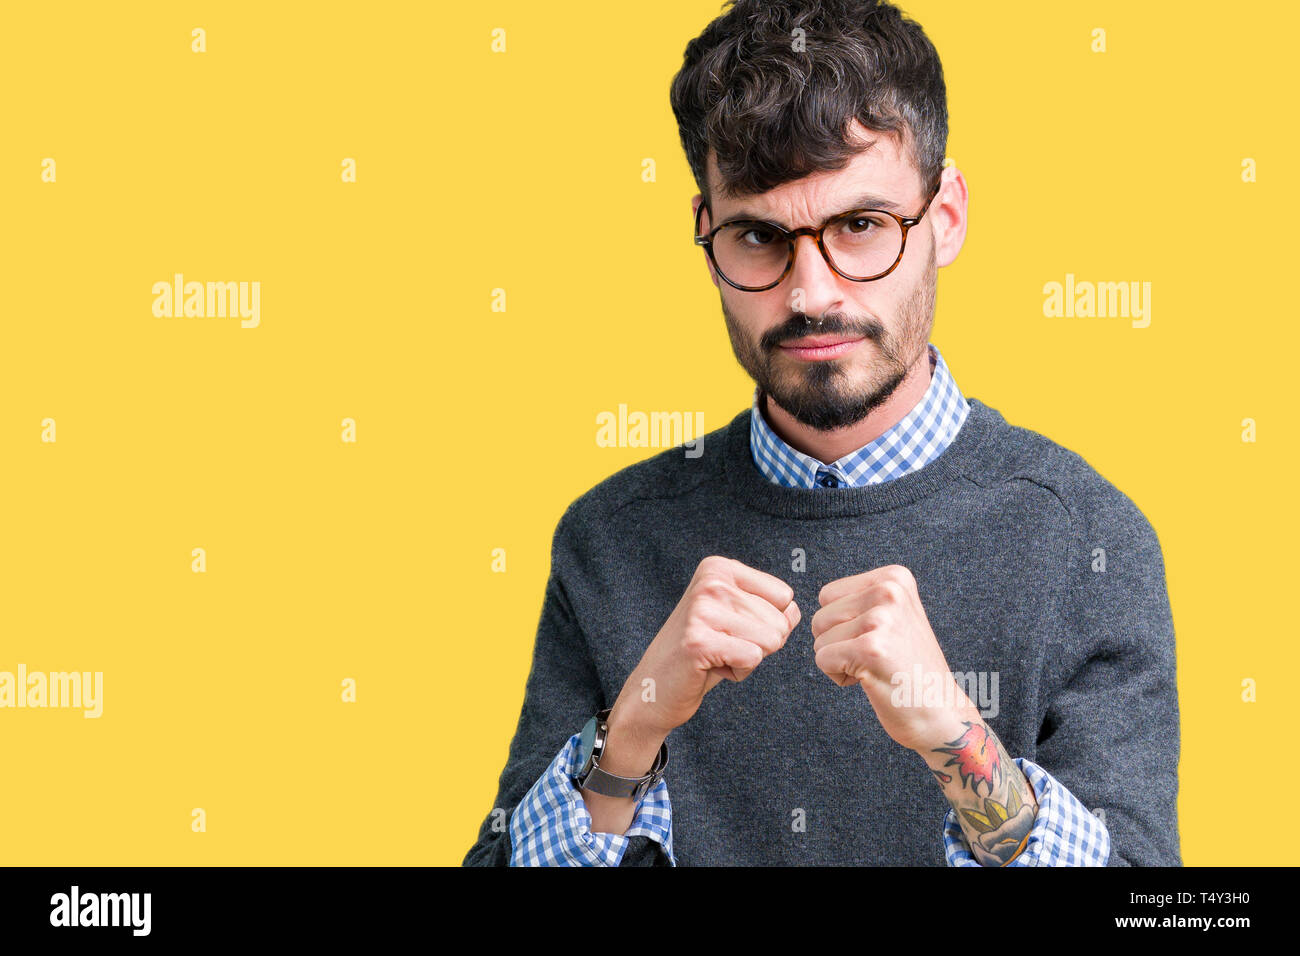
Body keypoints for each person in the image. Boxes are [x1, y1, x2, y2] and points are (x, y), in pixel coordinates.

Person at [463, 0, 1180, 866]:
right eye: (760, 237)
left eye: (861, 226)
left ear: (944, 217)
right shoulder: (609, 539)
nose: (811, 294)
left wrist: (959, 740)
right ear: (705, 234)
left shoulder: (1090, 542)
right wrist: (632, 729)